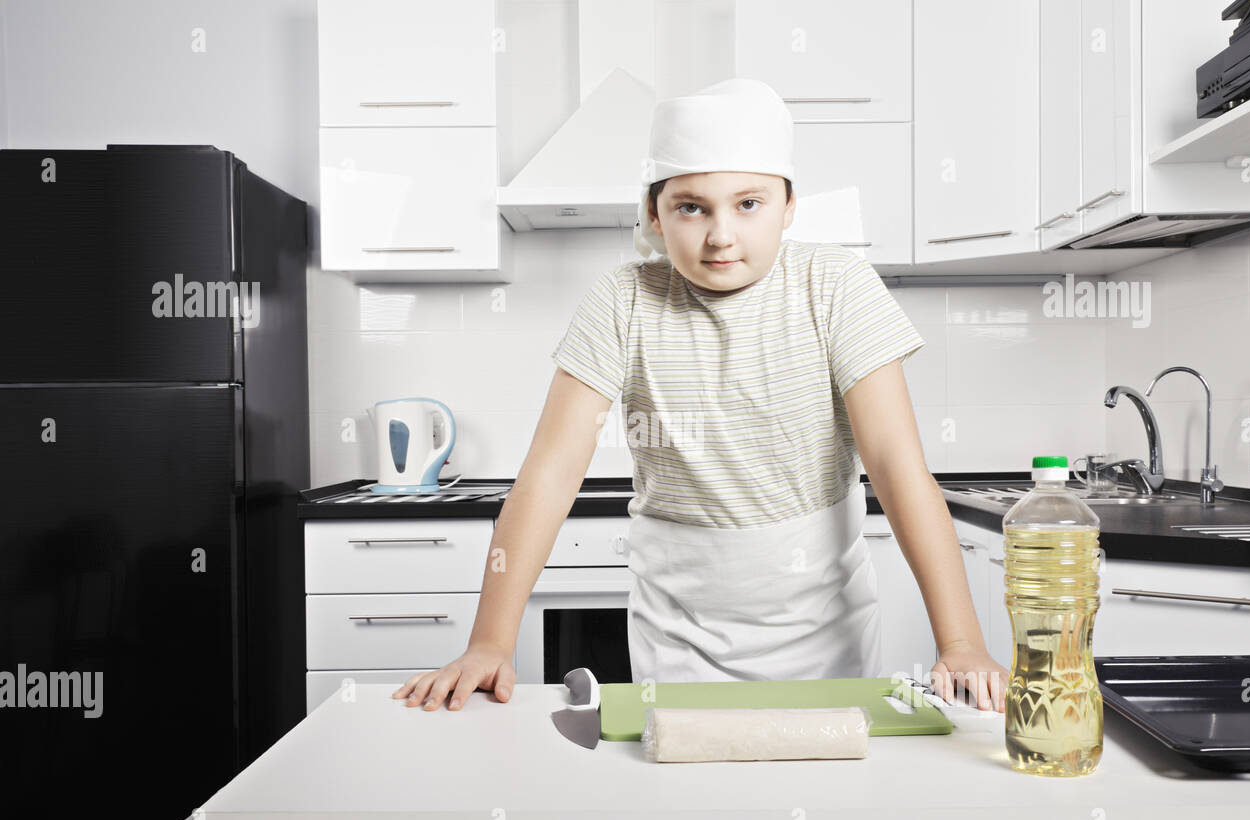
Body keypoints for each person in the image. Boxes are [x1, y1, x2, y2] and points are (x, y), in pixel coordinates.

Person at [394, 77, 1009, 712]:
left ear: (789, 205)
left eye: (749, 203)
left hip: (827, 634)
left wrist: (960, 640)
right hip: (678, 639)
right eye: (692, 207)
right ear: (655, 214)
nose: (721, 235)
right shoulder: (623, 300)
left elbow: (896, 466)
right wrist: (490, 641)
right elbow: (549, 476)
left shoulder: (836, 286)